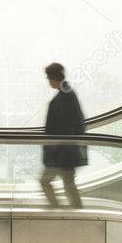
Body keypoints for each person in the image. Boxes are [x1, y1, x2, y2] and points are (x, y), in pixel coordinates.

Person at [39, 62, 86, 208]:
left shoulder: (64, 97)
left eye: (48, 79)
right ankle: (73, 213)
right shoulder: (67, 94)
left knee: (49, 182)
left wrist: (54, 149)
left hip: (61, 153)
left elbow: (63, 126)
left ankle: (58, 210)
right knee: (69, 185)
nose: (48, 82)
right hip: (65, 152)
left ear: (53, 78)